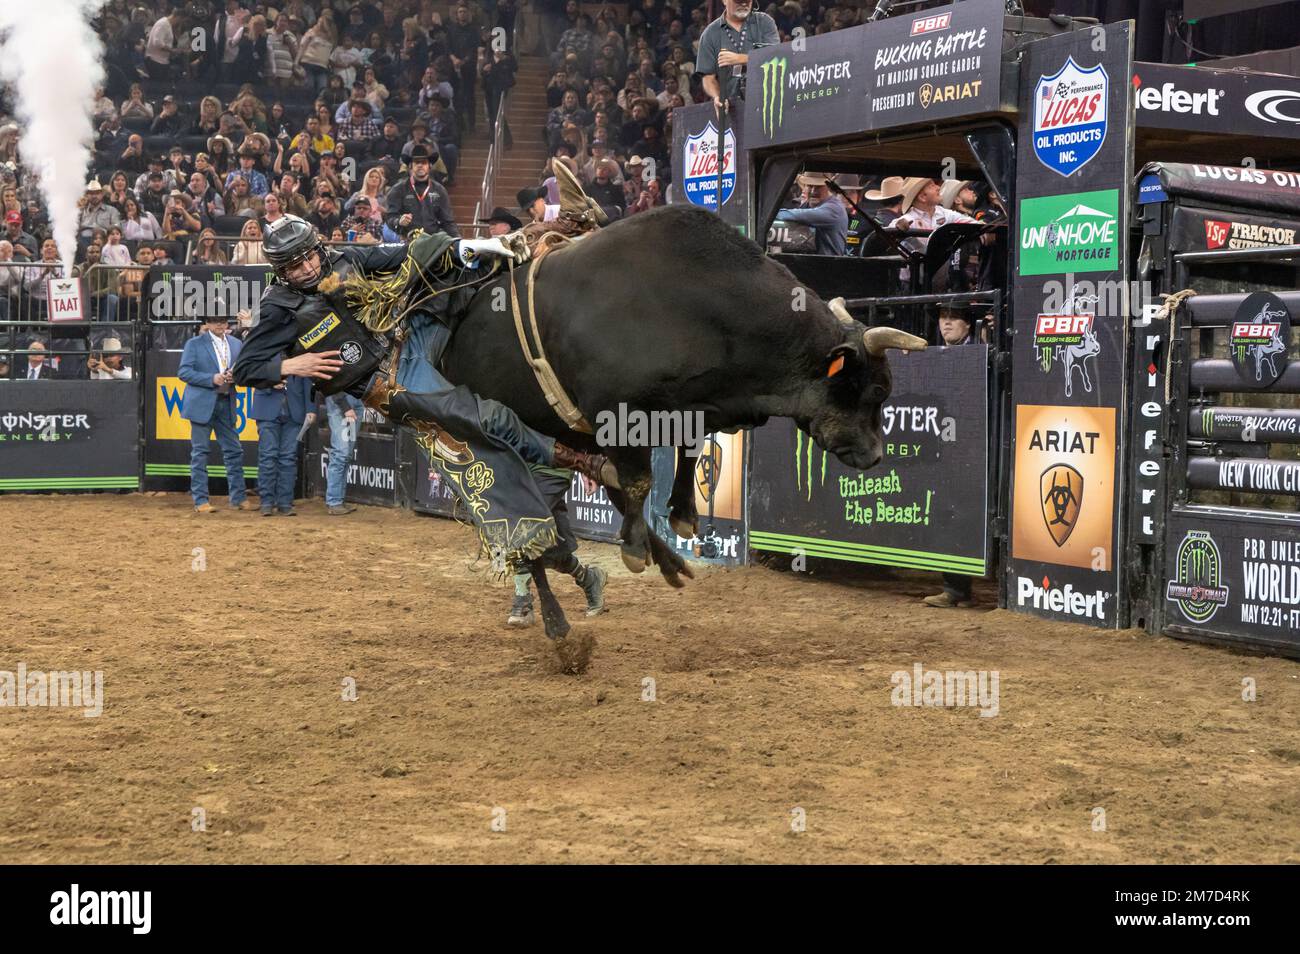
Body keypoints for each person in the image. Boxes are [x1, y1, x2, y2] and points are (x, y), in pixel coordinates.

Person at [231, 214, 618, 565]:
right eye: (297, 265)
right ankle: (585, 462)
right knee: (483, 417)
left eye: (311, 256)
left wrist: (464, 247)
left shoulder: (346, 260)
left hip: (410, 336)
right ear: (281, 271)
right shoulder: (279, 309)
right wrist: (288, 364)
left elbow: (404, 256)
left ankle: (544, 233)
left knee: (454, 271)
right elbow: (245, 368)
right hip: (391, 385)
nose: (310, 267)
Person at [923, 303, 979, 609]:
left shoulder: (981, 354)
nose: (946, 324)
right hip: (946, 447)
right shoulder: (932, 355)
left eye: (953, 318)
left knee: (965, 513)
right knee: (949, 511)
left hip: (975, 445)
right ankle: (956, 588)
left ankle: (966, 588)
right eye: (943, 318)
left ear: (967, 325)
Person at [506, 467, 608, 627]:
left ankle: (522, 599)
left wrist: (587, 468)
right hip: (522, 465)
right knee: (553, 550)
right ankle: (589, 579)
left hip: (552, 466)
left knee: (524, 520)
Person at [179, 315, 256, 513]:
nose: (220, 325)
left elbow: (243, 370)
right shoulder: (194, 344)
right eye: (215, 321)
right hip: (203, 403)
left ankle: (238, 497)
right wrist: (211, 378)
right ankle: (201, 500)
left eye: (223, 321)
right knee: (200, 453)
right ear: (207, 323)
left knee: (234, 451)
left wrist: (235, 377)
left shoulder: (236, 343)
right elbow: (184, 372)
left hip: (226, 401)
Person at [696, 0, 778, 112]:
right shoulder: (710, 33)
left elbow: (777, 57)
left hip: (767, 101)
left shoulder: (764, 22)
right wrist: (717, 96)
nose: (744, 4)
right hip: (732, 107)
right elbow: (708, 78)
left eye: (747, 1)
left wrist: (740, 59)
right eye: (738, 1)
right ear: (724, 1)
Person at [251, 373, 314, 516]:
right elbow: (250, 374)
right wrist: (269, 382)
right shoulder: (261, 351)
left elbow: (308, 380)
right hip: (267, 409)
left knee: (289, 458)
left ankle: (285, 503)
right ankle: (266, 502)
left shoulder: (300, 351)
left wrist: (311, 408)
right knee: (268, 456)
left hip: (295, 411)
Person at [384, 144, 457, 237]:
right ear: (410, 165)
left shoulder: (439, 190)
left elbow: (448, 222)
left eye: (424, 162)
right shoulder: (398, 189)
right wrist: (398, 221)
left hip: (433, 241)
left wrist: (458, 241)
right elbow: (390, 217)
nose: (420, 165)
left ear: (430, 165)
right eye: (416, 162)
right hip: (407, 241)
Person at [776, 172, 848, 256]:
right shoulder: (807, 205)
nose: (813, 190)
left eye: (818, 187)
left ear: (828, 187)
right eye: (810, 186)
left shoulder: (834, 209)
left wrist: (771, 215)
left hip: (830, 265)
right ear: (805, 187)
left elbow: (796, 215)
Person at [323, 392, 363, 515]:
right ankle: (334, 501)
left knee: (346, 455)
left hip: (356, 401)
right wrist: (345, 406)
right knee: (341, 453)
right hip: (340, 401)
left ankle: (339, 500)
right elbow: (333, 380)